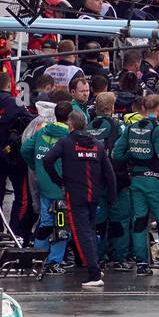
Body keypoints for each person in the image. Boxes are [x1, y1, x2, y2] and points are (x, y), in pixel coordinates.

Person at [43, 112, 117, 287]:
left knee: (81, 233)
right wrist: (112, 196)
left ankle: (94, 273)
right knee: (90, 232)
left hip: (76, 195)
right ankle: (95, 266)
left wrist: (58, 180)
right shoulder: (97, 145)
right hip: (94, 195)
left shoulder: (66, 142)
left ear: (71, 126)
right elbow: (109, 173)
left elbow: (47, 160)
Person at [112, 94, 159, 276]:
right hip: (154, 180)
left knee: (140, 222)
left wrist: (133, 157)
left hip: (136, 179)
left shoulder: (130, 128)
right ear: (158, 109)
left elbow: (116, 154)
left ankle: (142, 264)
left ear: (143, 108)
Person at [21, 101, 71, 272]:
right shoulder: (70, 136)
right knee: (62, 224)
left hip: (43, 184)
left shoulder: (41, 131)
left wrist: (35, 166)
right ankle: (54, 261)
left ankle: (38, 256)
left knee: (45, 221)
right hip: (62, 186)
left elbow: (25, 148)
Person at [0, 73, 34, 237]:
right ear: (10, 85)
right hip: (15, 158)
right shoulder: (16, 103)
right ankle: (14, 231)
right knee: (21, 197)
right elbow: (31, 122)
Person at [88, 91, 132, 269]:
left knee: (97, 222)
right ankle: (119, 258)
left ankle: (97, 257)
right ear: (111, 108)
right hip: (116, 180)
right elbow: (121, 153)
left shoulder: (88, 127)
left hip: (93, 180)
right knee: (120, 219)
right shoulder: (118, 127)